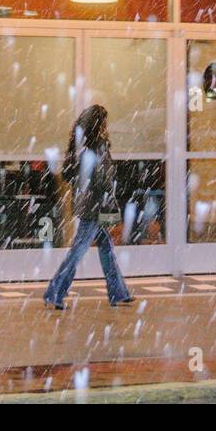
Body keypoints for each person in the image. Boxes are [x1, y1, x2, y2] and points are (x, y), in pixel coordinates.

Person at [43, 105, 132, 310]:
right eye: (104, 121)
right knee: (78, 251)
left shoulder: (82, 146)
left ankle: (118, 292)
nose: (107, 125)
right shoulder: (98, 146)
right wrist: (109, 198)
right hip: (96, 207)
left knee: (106, 248)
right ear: (98, 123)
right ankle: (54, 292)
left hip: (88, 204)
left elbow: (70, 175)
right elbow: (103, 178)